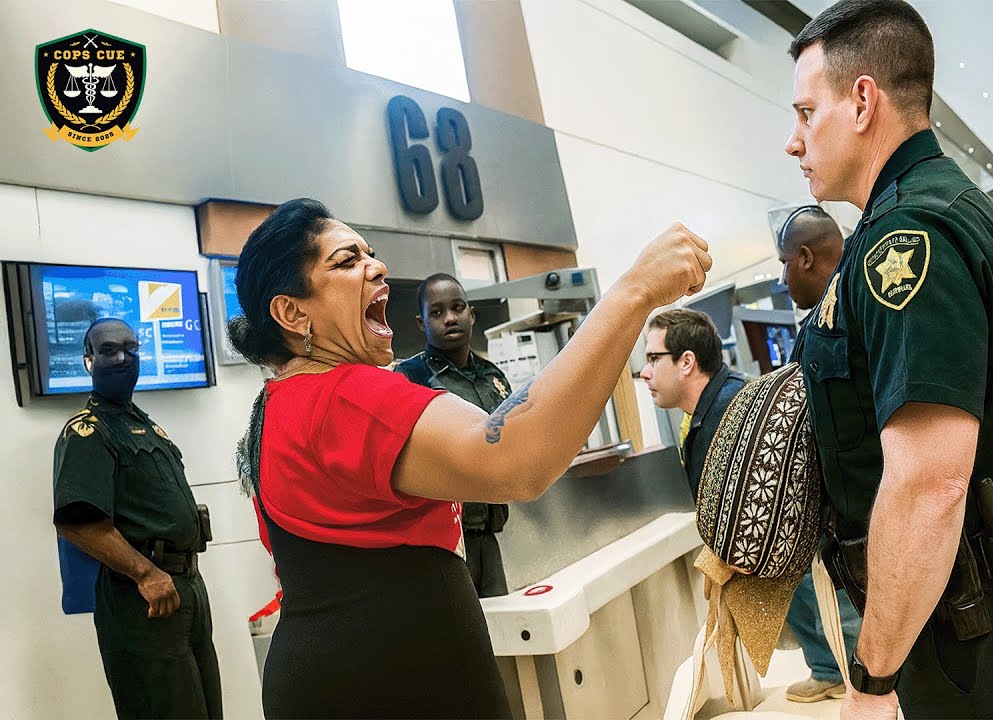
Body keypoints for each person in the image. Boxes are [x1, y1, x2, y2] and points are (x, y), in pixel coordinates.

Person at [230, 198, 710, 719]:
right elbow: (515, 458)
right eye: (347, 262)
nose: (378, 266)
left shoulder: (279, 404)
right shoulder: (348, 396)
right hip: (394, 684)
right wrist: (635, 291)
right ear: (292, 312)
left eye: (371, 253)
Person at [786, 2, 993, 718]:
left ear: (863, 101)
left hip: (977, 631)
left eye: (806, 112)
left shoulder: (908, 237)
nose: (792, 141)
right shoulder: (957, 205)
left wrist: (872, 680)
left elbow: (929, 486)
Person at [53, 318, 222, 719]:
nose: (123, 357)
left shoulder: (145, 426)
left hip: (184, 586)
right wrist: (146, 575)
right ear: (88, 360)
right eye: (109, 350)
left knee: (204, 708)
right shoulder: (87, 432)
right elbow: (77, 523)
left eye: (131, 348)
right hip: (143, 597)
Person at [772, 206, 864, 703]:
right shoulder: (837, 314)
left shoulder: (846, 316)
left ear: (805, 257)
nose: (782, 276)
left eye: (783, 262)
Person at [395, 273, 514, 597]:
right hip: (440, 541)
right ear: (422, 323)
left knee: (503, 632)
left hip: (489, 532)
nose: (449, 318)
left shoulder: (494, 377)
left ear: (471, 314)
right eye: (437, 312)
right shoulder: (410, 378)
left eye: (457, 307)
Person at [639, 309, 745, 498]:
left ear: (687, 362)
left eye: (654, 359)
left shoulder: (730, 416)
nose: (644, 373)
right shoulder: (699, 417)